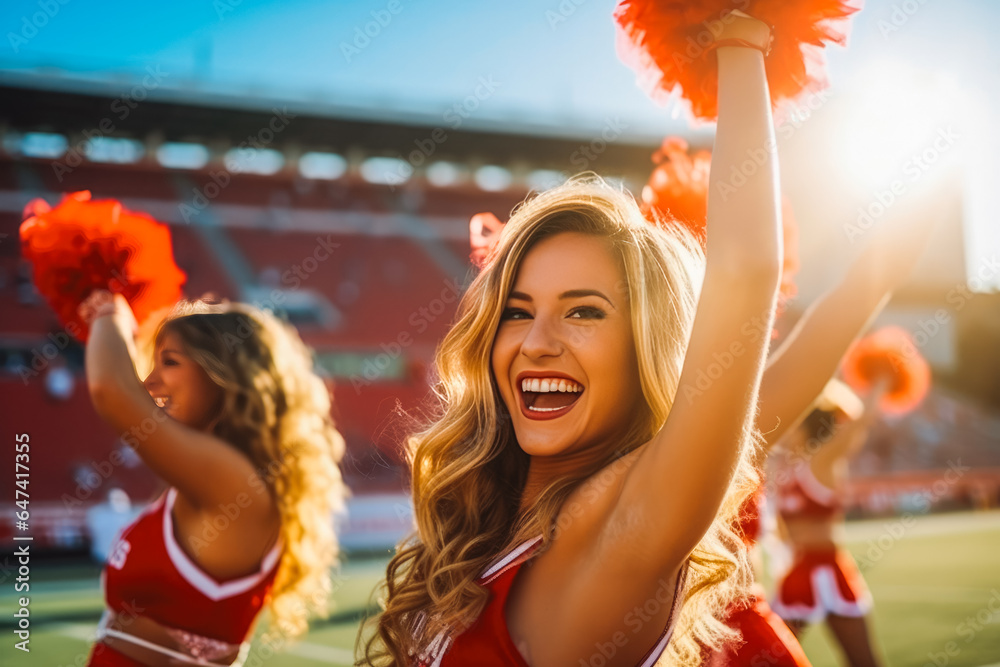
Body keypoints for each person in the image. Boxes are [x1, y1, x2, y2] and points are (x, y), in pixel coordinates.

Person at [362, 10, 781, 667]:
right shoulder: (489, 528)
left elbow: (746, 271)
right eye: (516, 311)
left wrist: (738, 33)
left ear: (648, 344)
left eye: (584, 313)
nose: (536, 343)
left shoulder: (617, 521)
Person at [78, 290, 346, 666]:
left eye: (169, 363)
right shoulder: (215, 477)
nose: (150, 385)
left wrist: (109, 308)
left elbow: (111, 389)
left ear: (225, 375)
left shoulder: (235, 482)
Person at [771, 381, 886, 667]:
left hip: (832, 570)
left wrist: (881, 379)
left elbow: (860, 424)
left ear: (806, 430)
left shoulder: (821, 463)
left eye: (795, 426)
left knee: (863, 661)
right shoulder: (781, 471)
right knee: (771, 657)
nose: (788, 432)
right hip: (797, 574)